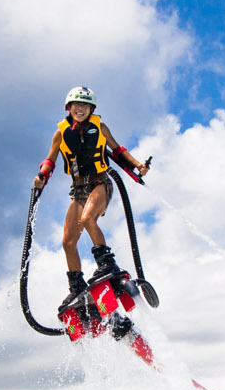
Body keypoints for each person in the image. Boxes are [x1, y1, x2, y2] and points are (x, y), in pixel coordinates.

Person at [33, 86, 150, 312]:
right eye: (77, 105)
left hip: (100, 183)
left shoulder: (101, 128)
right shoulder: (60, 134)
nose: (81, 109)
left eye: (85, 106)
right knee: (68, 242)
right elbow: (50, 160)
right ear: (69, 107)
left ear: (91, 109)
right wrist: (41, 176)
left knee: (88, 219)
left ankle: (107, 263)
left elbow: (118, 151)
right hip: (78, 190)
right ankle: (76, 286)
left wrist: (138, 166)